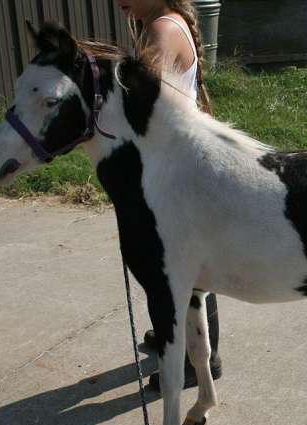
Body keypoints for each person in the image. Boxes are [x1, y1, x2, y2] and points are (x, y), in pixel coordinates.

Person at [117, 0, 222, 391]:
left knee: (176, 267)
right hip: (172, 161)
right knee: (183, 264)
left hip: (174, 168)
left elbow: (142, 106)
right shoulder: (154, 24)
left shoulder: (161, 29)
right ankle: (186, 345)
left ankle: (198, 361)